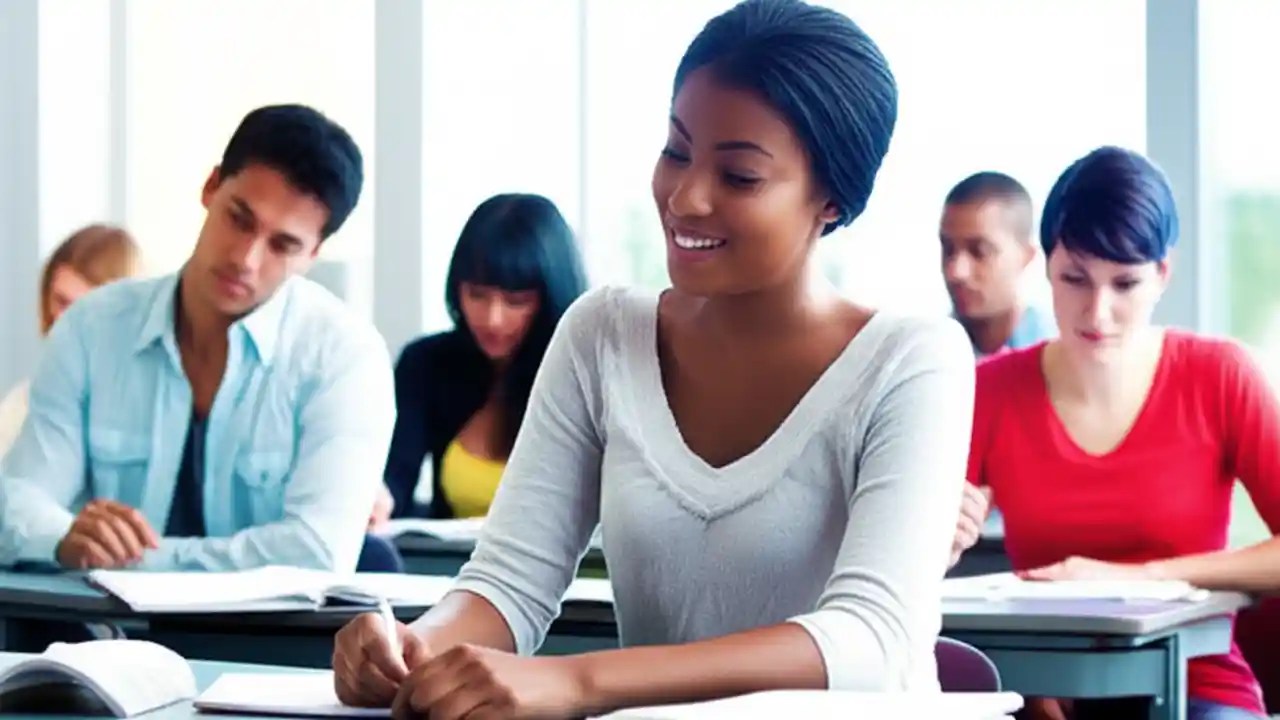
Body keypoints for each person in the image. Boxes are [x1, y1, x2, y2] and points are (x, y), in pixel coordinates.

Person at [333, 1, 974, 716]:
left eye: (739, 177)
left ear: (831, 198)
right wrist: (415, 646)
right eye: (676, 150)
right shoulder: (602, 334)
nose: (684, 195)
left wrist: (579, 681)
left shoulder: (913, 360)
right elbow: (509, 583)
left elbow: (873, 641)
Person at [0, 104, 395, 573]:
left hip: (273, 643)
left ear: (313, 252)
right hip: (103, 636)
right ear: (210, 188)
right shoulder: (90, 328)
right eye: (240, 219)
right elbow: (18, 502)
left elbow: (315, 550)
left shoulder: (345, 357)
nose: (246, 259)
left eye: (282, 245)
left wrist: (131, 560)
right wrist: (63, 537)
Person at [964, 146, 1280, 720]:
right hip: (1043, 695)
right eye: (1076, 279)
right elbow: (906, 565)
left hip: (1199, 690)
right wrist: (942, 534)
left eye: (1125, 284)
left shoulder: (1221, 376)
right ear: (1046, 267)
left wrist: (1142, 576)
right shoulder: (991, 391)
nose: (1098, 312)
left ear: (1163, 274)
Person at [378, 193, 587, 524]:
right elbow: (395, 479)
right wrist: (379, 499)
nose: (492, 318)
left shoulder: (585, 376)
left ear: (551, 297)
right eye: (476, 295)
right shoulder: (426, 363)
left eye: (516, 301)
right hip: (447, 567)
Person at [0, 225, 142, 458]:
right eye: (61, 301)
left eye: (85, 309)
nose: (66, 323)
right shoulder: (21, 406)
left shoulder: (157, 406)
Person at [941, 171, 1056, 358]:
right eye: (948, 249)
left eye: (980, 252)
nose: (956, 271)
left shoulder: (1063, 357)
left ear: (1026, 257)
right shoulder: (928, 356)